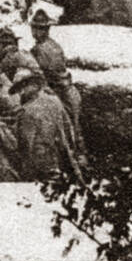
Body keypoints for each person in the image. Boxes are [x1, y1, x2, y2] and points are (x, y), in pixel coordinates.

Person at [29, 9, 87, 163]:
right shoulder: (55, 45)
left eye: (37, 28)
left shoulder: (38, 50)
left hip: (62, 94)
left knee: (66, 133)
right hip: (70, 92)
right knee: (74, 131)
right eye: (34, 28)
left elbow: (38, 74)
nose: (34, 32)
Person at [8, 65, 76, 180]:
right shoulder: (54, 100)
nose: (20, 93)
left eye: (22, 87)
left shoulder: (27, 111)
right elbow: (68, 129)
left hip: (41, 167)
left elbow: (25, 147)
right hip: (60, 160)